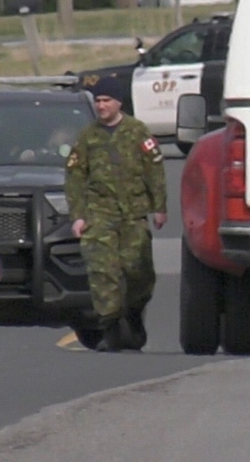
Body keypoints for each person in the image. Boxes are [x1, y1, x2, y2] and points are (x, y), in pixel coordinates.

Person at [65, 77, 168, 352]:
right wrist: (78, 215)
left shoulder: (137, 132)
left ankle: (133, 316)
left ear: (119, 103)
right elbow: (75, 176)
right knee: (103, 272)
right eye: (98, 101)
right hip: (100, 213)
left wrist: (159, 207)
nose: (101, 106)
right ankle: (110, 328)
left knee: (138, 272)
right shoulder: (88, 137)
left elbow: (154, 171)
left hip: (133, 214)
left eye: (106, 101)